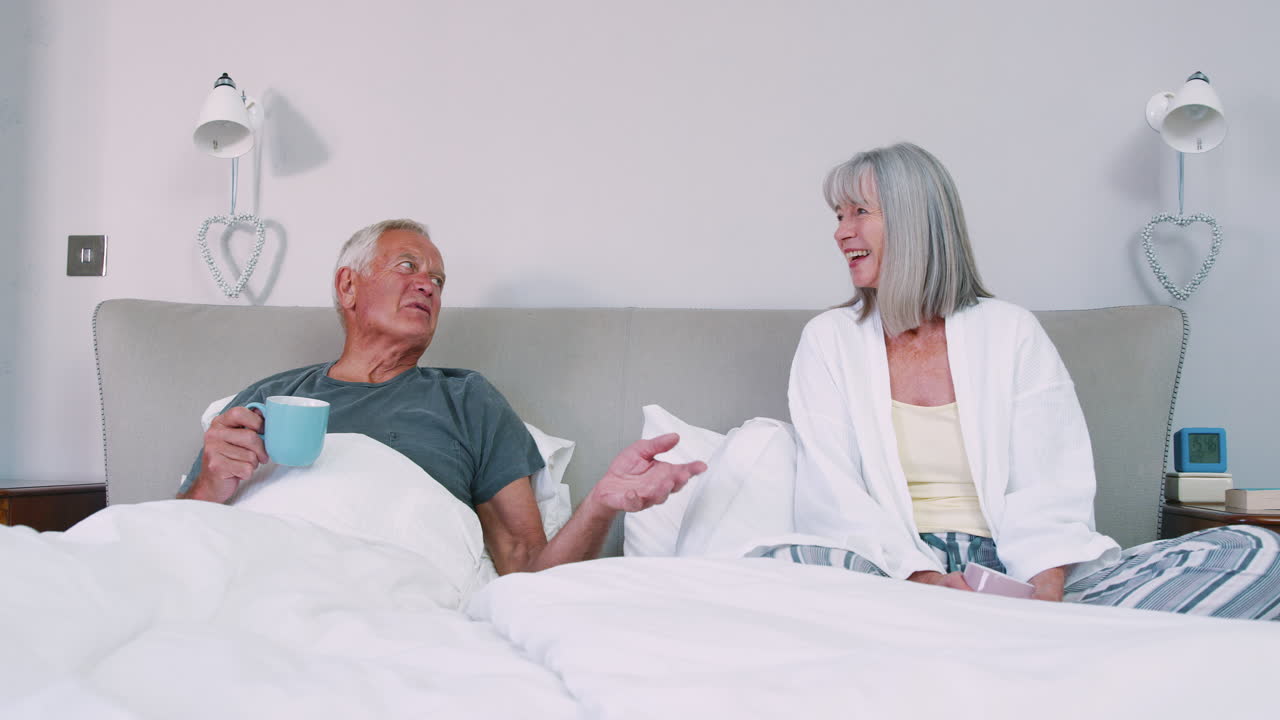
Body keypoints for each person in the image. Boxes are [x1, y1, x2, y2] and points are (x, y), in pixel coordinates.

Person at [751, 142, 1280, 619]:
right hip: (890, 570)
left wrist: (1043, 593)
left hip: (1014, 566)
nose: (841, 232)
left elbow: (1050, 481)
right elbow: (834, 494)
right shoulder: (829, 339)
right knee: (775, 562)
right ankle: (1007, 632)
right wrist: (924, 580)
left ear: (914, 221)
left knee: (1257, 553)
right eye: (839, 215)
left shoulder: (1010, 330)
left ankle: (1010, 630)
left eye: (859, 212)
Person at [179, 218, 706, 575]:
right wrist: (209, 484)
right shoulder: (272, 396)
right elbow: (177, 536)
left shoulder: (466, 399)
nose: (428, 285)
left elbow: (526, 567)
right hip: (259, 575)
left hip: (388, 592)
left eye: (438, 279)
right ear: (348, 287)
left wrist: (599, 507)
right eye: (408, 267)